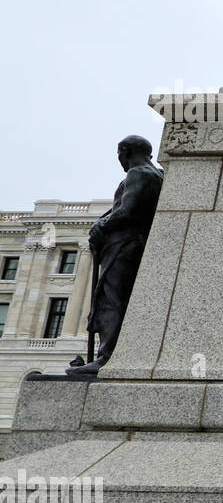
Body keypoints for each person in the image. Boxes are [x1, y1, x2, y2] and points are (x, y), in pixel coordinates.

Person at [67, 136, 164, 376]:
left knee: (111, 299)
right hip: (137, 244)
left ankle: (106, 357)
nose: (119, 160)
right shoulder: (158, 174)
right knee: (122, 299)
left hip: (123, 244)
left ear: (124, 151)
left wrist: (101, 226)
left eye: (119, 155)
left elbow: (126, 211)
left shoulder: (138, 173)